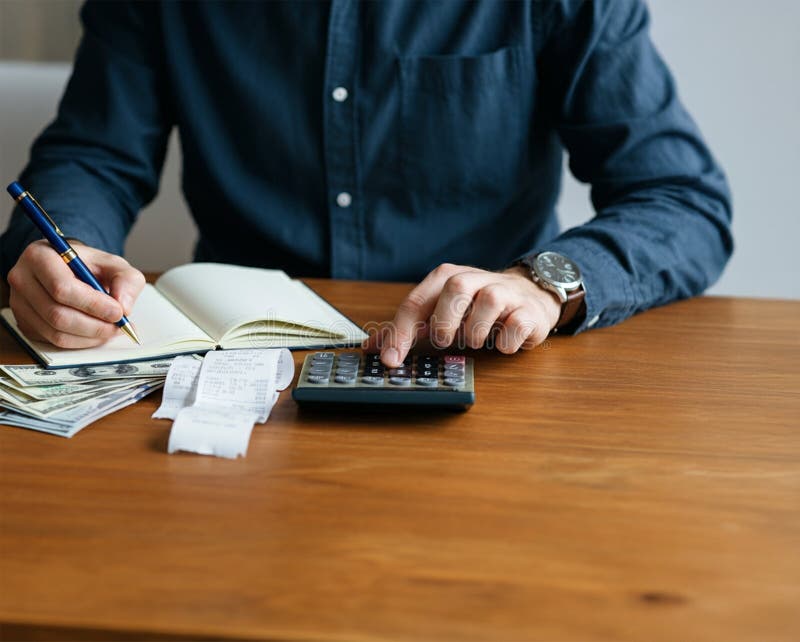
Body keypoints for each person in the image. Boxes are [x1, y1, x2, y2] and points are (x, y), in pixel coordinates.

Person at [0, 0, 732, 368]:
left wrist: (545, 284)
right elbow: (93, 154)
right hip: (240, 366)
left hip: (492, 367)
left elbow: (682, 199)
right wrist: (55, 245)